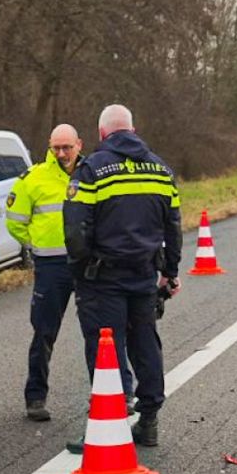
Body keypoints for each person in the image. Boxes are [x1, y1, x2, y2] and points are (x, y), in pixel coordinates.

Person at [63, 104, 182, 447]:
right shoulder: (160, 169)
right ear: (132, 129)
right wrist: (169, 273)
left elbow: (75, 228)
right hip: (145, 275)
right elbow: (173, 226)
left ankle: (109, 426)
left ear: (102, 134)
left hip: (103, 278)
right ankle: (148, 421)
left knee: (105, 349)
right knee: (145, 345)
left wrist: (82, 269)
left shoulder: (92, 169)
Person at [5, 124, 83, 421]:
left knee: (100, 332)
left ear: (79, 144)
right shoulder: (33, 178)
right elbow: (15, 220)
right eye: (56, 147)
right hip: (51, 267)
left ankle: (114, 396)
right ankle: (35, 397)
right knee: (44, 332)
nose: (61, 153)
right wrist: (35, 244)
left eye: (67, 147)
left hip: (87, 264)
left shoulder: (91, 173)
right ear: (49, 147)